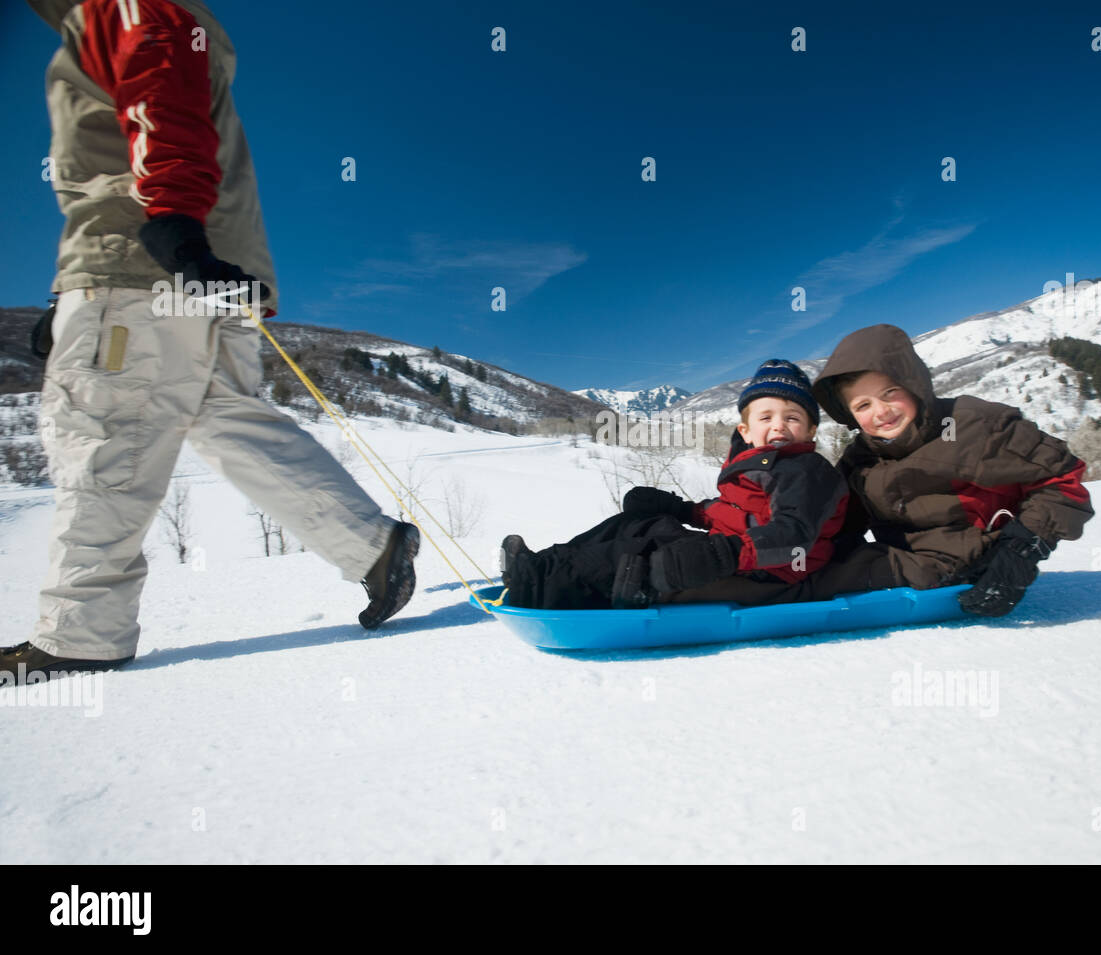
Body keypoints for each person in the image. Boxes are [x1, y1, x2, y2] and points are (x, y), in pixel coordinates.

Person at [2, 0, 418, 682]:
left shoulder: (124, 7)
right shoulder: (164, 18)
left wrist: (172, 223)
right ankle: (372, 546)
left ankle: (80, 636)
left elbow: (158, 100)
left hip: (143, 267)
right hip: (201, 272)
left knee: (105, 432)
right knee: (224, 417)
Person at [500, 360, 848, 609]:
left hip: (771, 572)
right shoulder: (755, 463)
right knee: (639, 524)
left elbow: (794, 535)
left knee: (639, 552)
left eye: (793, 418)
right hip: (734, 553)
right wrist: (681, 510)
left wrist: (722, 554)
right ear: (745, 430)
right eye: (766, 417)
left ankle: (540, 586)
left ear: (811, 430)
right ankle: (547, 563)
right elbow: (732, 513)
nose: (779, 426)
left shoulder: (805, 470)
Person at [799, 324, 1095, 616]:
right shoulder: (861, 459)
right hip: (907, 562)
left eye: (890, 392)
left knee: (825, 580)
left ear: (913, 385)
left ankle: (779, 595)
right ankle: (763, 587)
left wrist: (1021, 547)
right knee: (812, 570)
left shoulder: (974, 426)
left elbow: (1062, 478)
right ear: (849, 415)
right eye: (863, 405)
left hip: (975, 560)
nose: (881, 411)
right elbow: (839, 522)